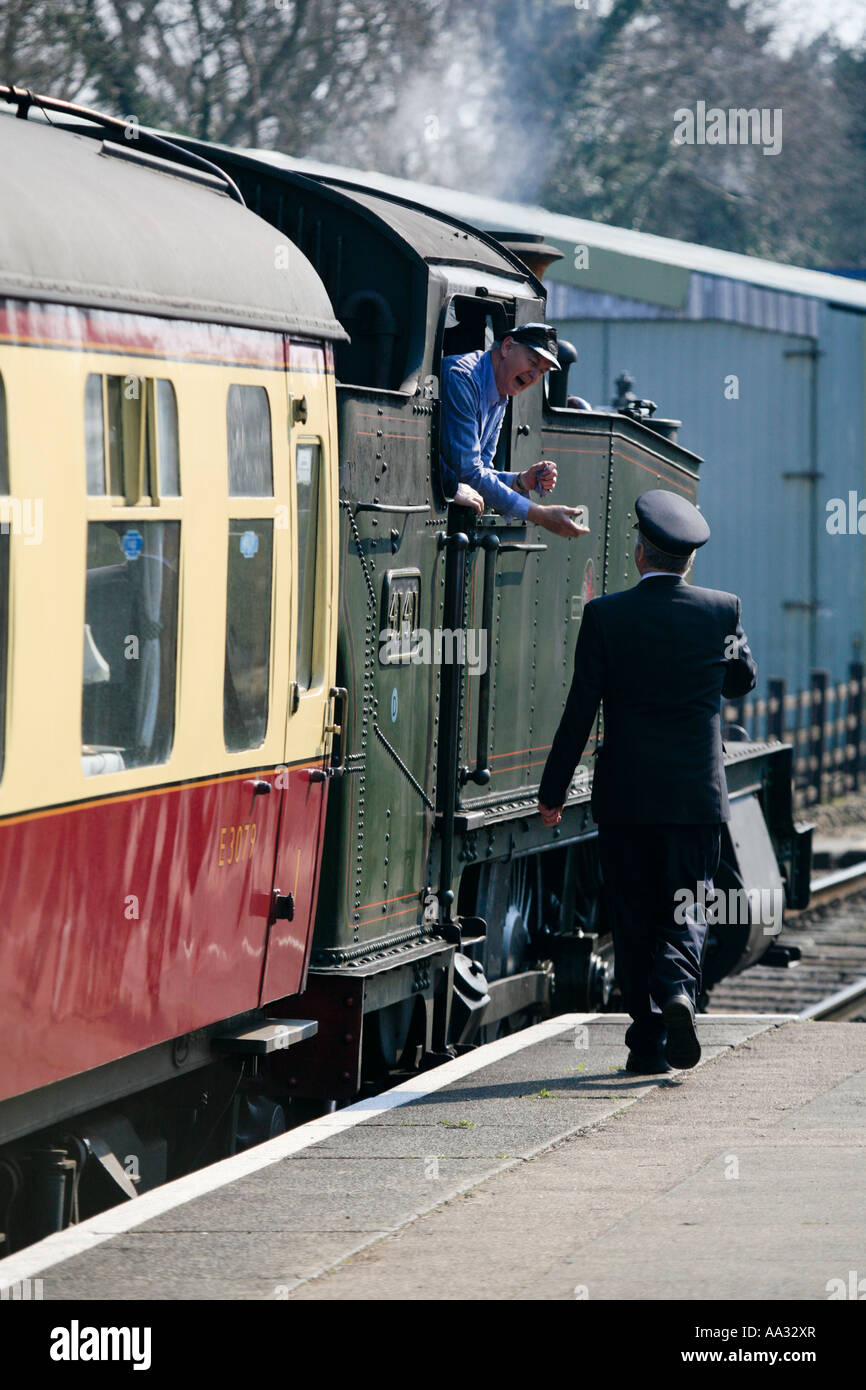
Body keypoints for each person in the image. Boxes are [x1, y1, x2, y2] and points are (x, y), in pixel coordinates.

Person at [537, 490, 757, 1074]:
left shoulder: (606, 616)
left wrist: (553, 792)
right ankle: (679, 990)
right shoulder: (722, 611)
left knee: (632, 914)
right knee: (687, 904)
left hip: (627, 799)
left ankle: (646, 1044)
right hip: (694, 799)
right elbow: (743, 681)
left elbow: (580, 709)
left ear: (639, 553)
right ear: (689, 561)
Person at [439, 322, 590, 540]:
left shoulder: (501, 396)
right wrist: (540, 514)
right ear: (507, 347)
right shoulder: (463, 378)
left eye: (543, 371)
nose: (535, 376)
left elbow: (482, 470)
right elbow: (468, 473)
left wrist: (521, 481)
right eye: (532, 362)